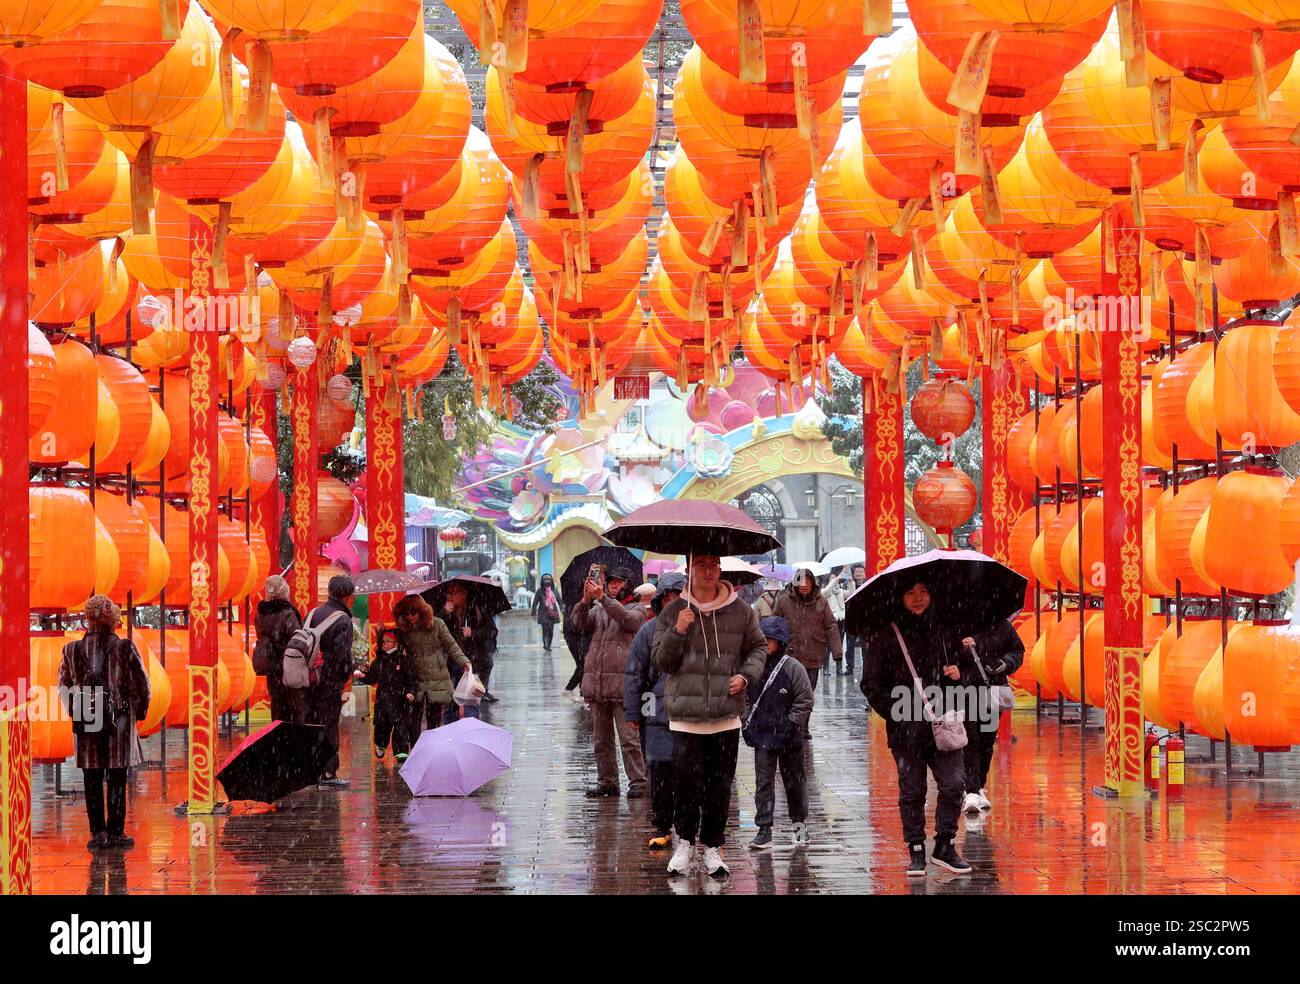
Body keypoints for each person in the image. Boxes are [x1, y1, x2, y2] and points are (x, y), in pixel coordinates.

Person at [653, 554, 768, 877]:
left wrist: (745, 676)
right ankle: (686, 842)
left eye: (713, 564)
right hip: (685, 716)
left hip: (725, 714)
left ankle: (713, 846)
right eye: (701, 563)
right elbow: (662, 661)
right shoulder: (674, 611)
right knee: (687, 784)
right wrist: (677, 630)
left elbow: (759, 648)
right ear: (688, 569)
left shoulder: (741, 611)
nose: (708, 570)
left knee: (720, 786)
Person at [861, 580, 972, 877]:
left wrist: (959, 674)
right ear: (901, 598)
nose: (917, 598)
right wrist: (897, 715)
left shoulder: (947, 630)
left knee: (953, 784)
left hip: (944, 724)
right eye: (910, 593)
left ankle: (945, 845)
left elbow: (969, 671)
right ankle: (916, 850)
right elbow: (871, 684)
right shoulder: (887, 636)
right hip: (905, 730)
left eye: (923, 591)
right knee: (912, 791)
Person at [58, 595, 151, 852]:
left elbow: (63, 686)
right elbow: (141, 686)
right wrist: (138, 712)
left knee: (92, 777)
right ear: (110, 618)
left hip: (87, 723)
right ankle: (116, 832)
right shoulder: (125, 648)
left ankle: (97, 833)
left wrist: (78, 711)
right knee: (117, 776)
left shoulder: (72, 650)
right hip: (118, 724)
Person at [573, 566, 650, 798]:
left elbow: (628, 620)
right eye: (611, 583)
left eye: (619, 583)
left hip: (624, 686)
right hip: (599, 685)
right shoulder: (598, 609)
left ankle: (638, 781)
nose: (614, 586)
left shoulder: (637, 608)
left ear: (627, 585)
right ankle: (607, 781)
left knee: (629, 739)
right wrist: (586, 600)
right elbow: (578, 623)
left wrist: (603, 598)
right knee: (601, 740)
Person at [624, 573, 686, 848]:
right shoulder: (648, 632)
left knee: (688, 773)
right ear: (661, 601)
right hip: (655, 712)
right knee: (659, 772)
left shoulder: (699, 629)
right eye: (669, 598)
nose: (673, 604)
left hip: (690, 712)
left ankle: (687, 826)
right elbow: (634, 673)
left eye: (678, 598)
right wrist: (633, 713)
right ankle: (662, 824)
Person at [744, 616, 813, 851]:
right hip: (762, 736)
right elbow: (743, 695)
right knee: (763, 783)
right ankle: (764, 829)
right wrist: (747, 721)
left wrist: (791, 723)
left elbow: (805, 699)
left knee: (794, 782)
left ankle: (799, 825)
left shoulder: (793, 667)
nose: (765, 643)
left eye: (769, 639)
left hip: (789, 738)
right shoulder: (753, 666)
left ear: (780, 641)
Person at [959, 619, 1025, 814]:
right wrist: (961, 648)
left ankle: (978, 786)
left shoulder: (1001, 624)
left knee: (986, 741)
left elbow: (1017, 651)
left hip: (992, 690)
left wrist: (1005, 664)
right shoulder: (958, 623)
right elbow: (944, 652)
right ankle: (970, 790)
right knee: (970, 739)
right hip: (965, 690)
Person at [393, 594, 472, 738]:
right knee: (414, 719)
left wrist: (464, 661)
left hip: (437, 677)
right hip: (415, 679)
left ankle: (433, 746)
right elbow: (395, 650)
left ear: (421, 611)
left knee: (434, 719)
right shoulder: (405, 629)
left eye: (413, 613)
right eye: (407, 614)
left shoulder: (437, 624)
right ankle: (416, 748)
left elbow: (451, 645)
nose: (410, 617)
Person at [306, 575, 357, 788]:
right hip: (328, 681)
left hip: (308, 679)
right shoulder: (342, 620)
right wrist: (345, 676)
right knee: (329, 726)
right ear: (349, 598)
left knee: (312, 724)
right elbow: (341, 656)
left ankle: (311, 771)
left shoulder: (312, 614)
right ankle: (328, 773)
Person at [772, 568, 842, 712]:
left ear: (812, 583)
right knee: (788, 694)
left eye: (808, 581)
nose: (804, 584)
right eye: (801, 581)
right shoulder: (784, 600)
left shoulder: (821, 602)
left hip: (813, 657)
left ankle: (802, 726)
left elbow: (831, 626)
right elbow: (774, 625)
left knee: (807, 695)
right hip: (790, 656)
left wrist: (837, 652)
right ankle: (790, 724)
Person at [354, 627, 417, 761]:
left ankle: (401, 753)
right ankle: (380, 745)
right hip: (383, 701)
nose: (384, 644)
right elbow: (372, 677)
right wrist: (362, 676)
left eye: (388, 641)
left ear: (396, 643)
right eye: (383, 642)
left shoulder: (403, 661)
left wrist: (411, 692)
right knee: (382, 726)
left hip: (400, 701)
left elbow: (411, 679)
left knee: (401, 728)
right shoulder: (379, 661)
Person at [253, 575, 304, 723]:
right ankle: (291, 741)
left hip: (271, 666)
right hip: (289, 666)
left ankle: (278, 739)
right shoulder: (287, 612)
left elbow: (261, 635)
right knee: (293, 710)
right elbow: (295, 638)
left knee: (277, 707)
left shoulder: (260, 614)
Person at [441, 582, 500, 703]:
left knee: (472, 702)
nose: (450, 597)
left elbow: (492, 631)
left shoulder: (478, 609)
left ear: (464, 594)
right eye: (448, 593)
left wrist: (473, 632)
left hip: (475, 660)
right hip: (453, 661)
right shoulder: (445, 611)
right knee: (451, 701)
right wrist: (444, 613)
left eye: (454, 593)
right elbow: (433, 629)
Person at [560, 605, 591, 706]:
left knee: (584, 664)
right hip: (574, 633)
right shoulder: (576, 600)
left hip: (574, 632)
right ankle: (570, 689)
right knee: (583, 665)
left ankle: (582, 694)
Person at [842, 565, 868, 677]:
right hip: (851, 618)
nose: (859, 574)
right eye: (857, 572)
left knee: (864, 646)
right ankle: (849, 668)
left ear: (865, 573)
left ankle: (866, 668)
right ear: (853, 573)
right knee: (850, 645)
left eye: (861, 572)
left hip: (864, 620)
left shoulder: (869, 584)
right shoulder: (847, 585)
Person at [821, 570, 849, 675]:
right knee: (828, 645)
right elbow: (826, 591)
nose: (835, 580)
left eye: (836, 578)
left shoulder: (840, 591)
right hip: (830, 621)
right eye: (832, 578)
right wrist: (835, 580)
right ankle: (826, 668)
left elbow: (851, 593)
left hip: (841, 620)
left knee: (839, 645)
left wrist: (850, 582)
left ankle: (839, 668)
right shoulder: (825, 591)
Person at [531, 573, 563, 653]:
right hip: (543, 613)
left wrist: (562, 608)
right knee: (545, 629)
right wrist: (533, 612)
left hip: (552, 613)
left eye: (548, 580)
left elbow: (559, 601)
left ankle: (548, 645)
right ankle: (545, 644)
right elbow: (535, 602)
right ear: (542, 582)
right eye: (545, 580)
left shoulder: (554, 590)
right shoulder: (539, 591)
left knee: (551, 630)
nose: (547, 582)